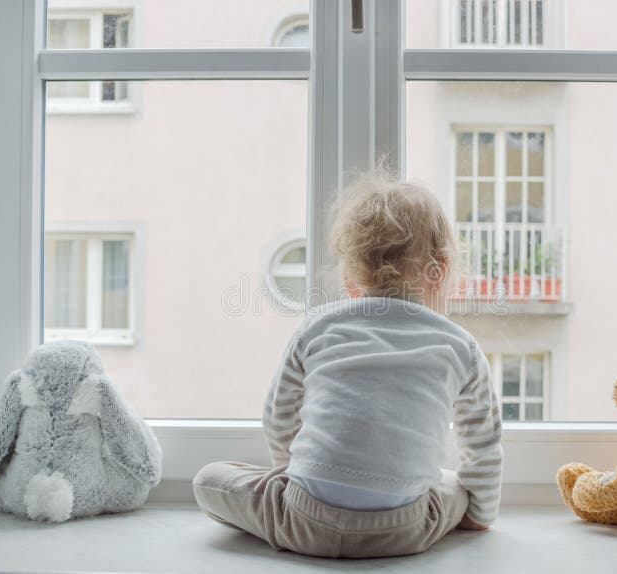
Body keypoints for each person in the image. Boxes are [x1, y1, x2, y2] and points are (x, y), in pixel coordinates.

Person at [193, 172, 503, 558]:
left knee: (209, 480)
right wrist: (479, 514)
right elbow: (483, 445)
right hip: (405, 529)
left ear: (351, 280)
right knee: (455, 485)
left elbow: (278, 416)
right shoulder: (461, 347)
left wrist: (295, 474)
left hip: (303, 520)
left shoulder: (319, 326)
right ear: (439, 271)